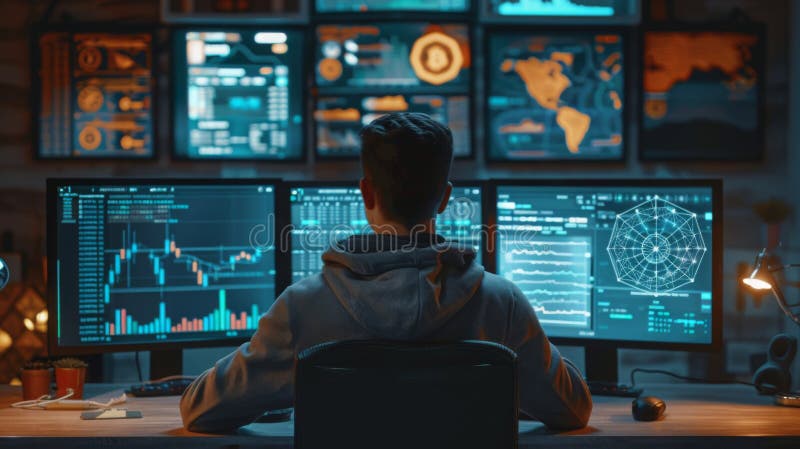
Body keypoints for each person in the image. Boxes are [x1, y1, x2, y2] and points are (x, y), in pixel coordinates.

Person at [180, 112, 592, 433]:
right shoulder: (501, 303)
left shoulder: (302, 309)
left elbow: (199, 410)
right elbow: (573, 410)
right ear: (445, 198)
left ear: (366, 192)